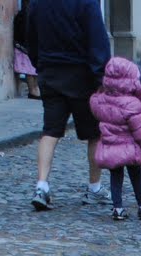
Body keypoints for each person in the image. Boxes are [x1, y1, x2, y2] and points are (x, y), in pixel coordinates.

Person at [27, 0, 112, 211]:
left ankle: (42, 185)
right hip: (81, 76)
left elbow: (29, 36)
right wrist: (101, 75)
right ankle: (94, 189)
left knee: (50, 131)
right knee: (94, 134)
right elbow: (97, 38)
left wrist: (40, 64)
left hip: (50, 72)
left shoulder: (37, 3)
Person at [90, 56, 141, 221]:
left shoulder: (101, 100)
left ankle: (118, 208)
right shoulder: (132, 104)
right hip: (130, 149)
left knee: (116, 177)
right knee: (136, 176)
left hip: (111, 147)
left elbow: (94, 106)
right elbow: (140, 131)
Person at [13, 1, 41, 98]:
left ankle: (35, 89)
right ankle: (32, 90)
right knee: (29, 70)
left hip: (29, 45)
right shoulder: (23, 16)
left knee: (33, 69)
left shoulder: (28, 15)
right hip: (25, 46)